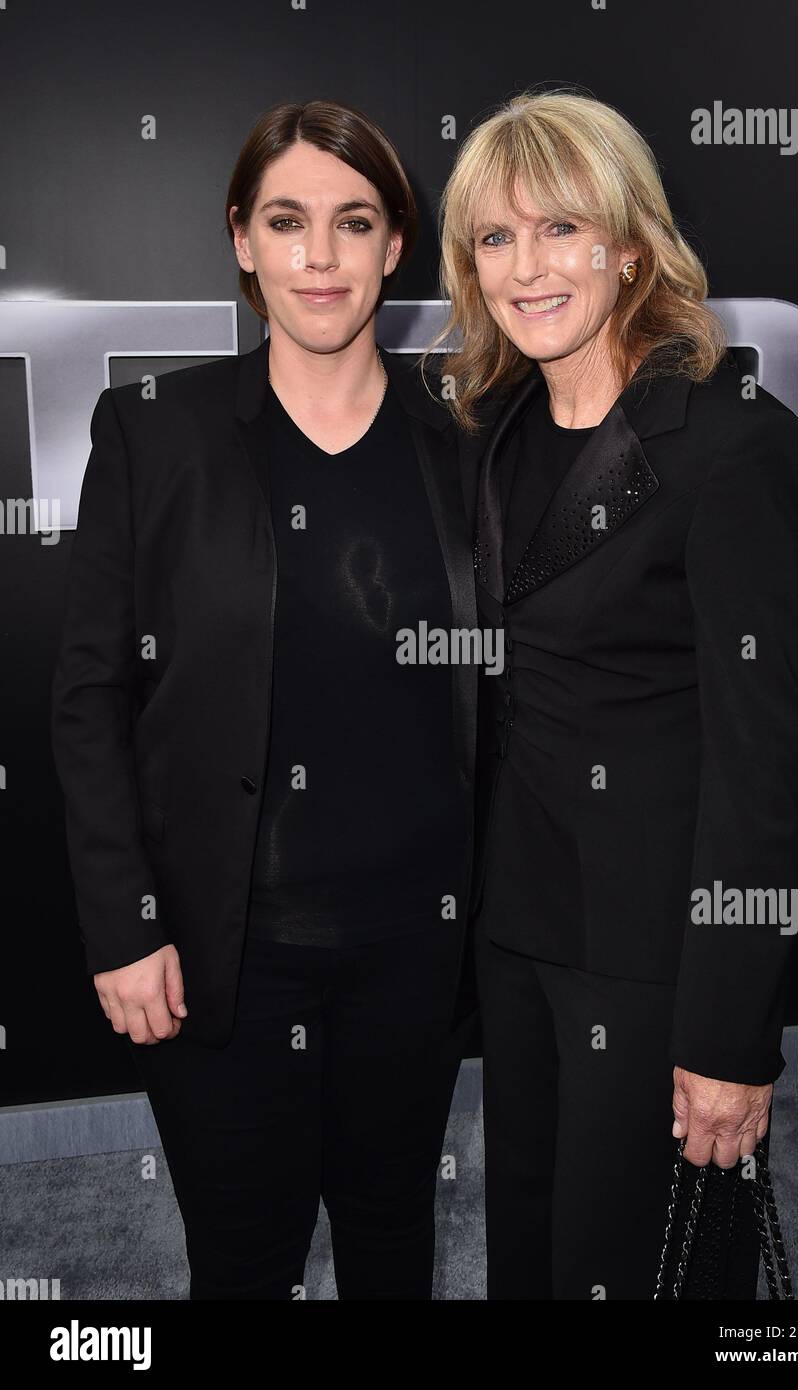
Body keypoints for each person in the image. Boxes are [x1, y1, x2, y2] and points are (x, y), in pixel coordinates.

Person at [50, 99, 478, 1300]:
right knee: (243, 1261)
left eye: (354, 222)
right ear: (242, 239)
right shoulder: (157, 432)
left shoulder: (464, 437)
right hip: (223, 955)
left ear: (396, 245)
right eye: (288, 222)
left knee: (395, 1241)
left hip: (413, 946)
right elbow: (90, 696)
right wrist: (123, 923)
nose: (321, 256)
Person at [424, 87, 798, 1299]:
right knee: (533, 1257)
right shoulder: (495, 432)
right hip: (518, 938)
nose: (526, 266)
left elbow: (764, 767)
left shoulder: (728, 441)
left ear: (631, 245)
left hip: (656, 958)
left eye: (560, 230)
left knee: (651, 1267)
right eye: (496, 237)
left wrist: (726, 1037)